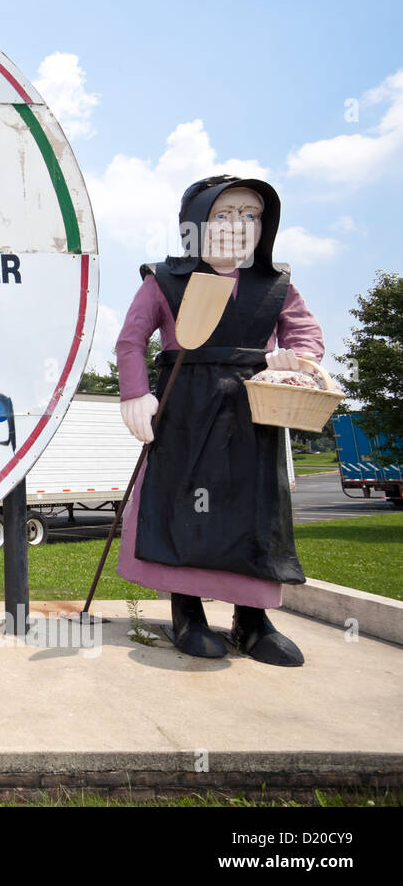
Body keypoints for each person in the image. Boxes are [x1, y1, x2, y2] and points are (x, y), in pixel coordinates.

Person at [115, 176, 324, 666]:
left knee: (253, 508)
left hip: (254, 410)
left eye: (250, 214)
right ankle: (187, 611)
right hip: (185, 406)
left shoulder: (276, 284)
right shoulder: (164, 280)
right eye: (225, 214)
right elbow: (131, 342)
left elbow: (305, 337)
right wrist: (135, 393)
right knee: (185, 507)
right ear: (196, 224)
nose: (238, 224)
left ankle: (252, 619)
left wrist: (296, 361)